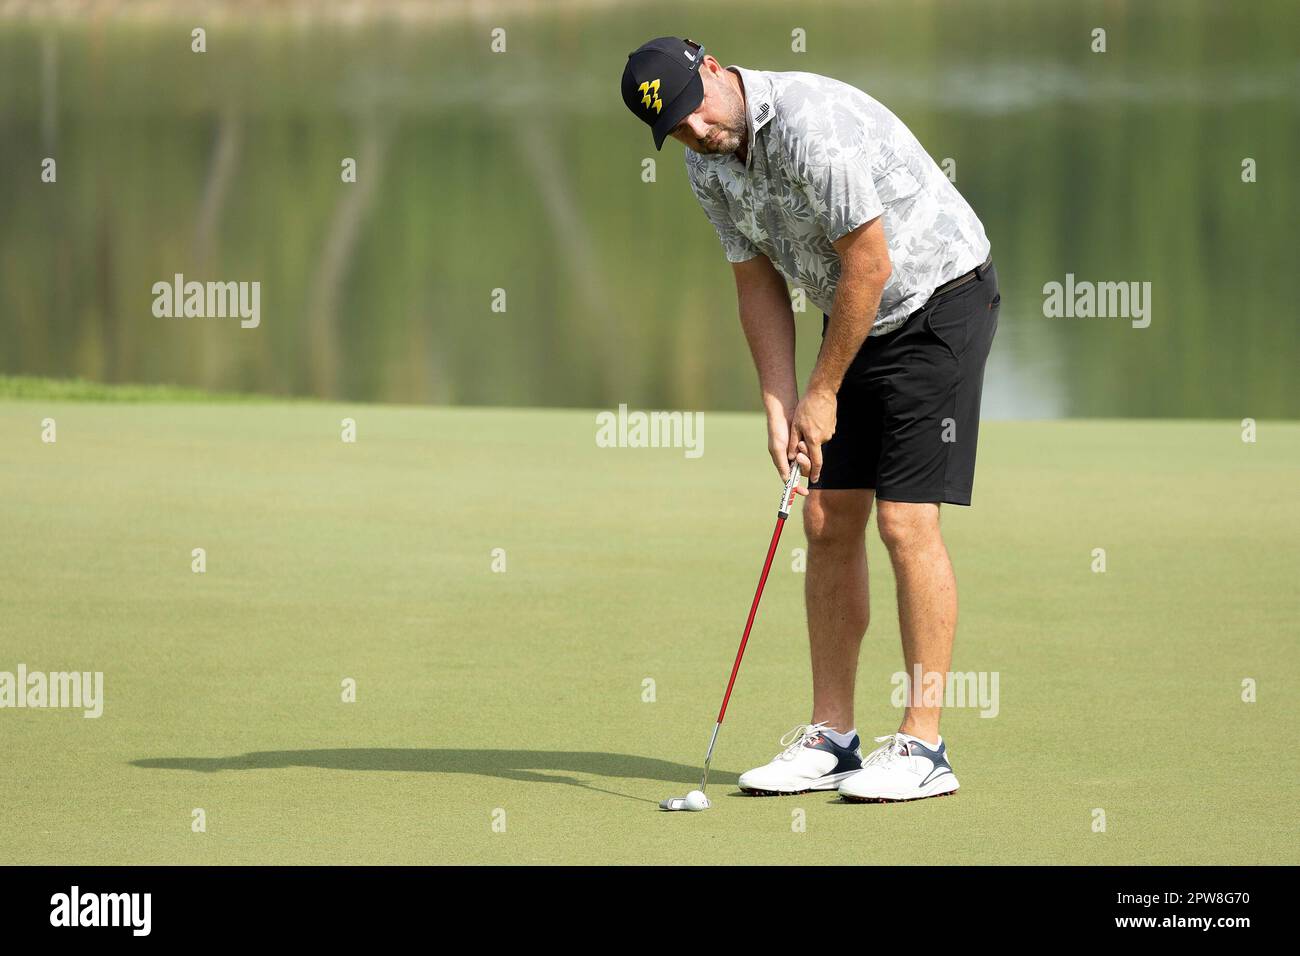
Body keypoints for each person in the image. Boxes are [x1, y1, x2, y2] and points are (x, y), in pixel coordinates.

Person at [621, 37, 1000, 802]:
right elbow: (756, 284)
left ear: (713, 72)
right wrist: (777, 400)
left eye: (696, 114)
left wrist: (820, 392)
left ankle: (925, 745)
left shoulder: (808, 124)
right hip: (857, 314)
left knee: (905, 522)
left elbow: (870, 262)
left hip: (937, 300)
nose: (697, 136)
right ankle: (833, 737)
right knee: (826, 518)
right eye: (679, 134)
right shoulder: (708, 165)